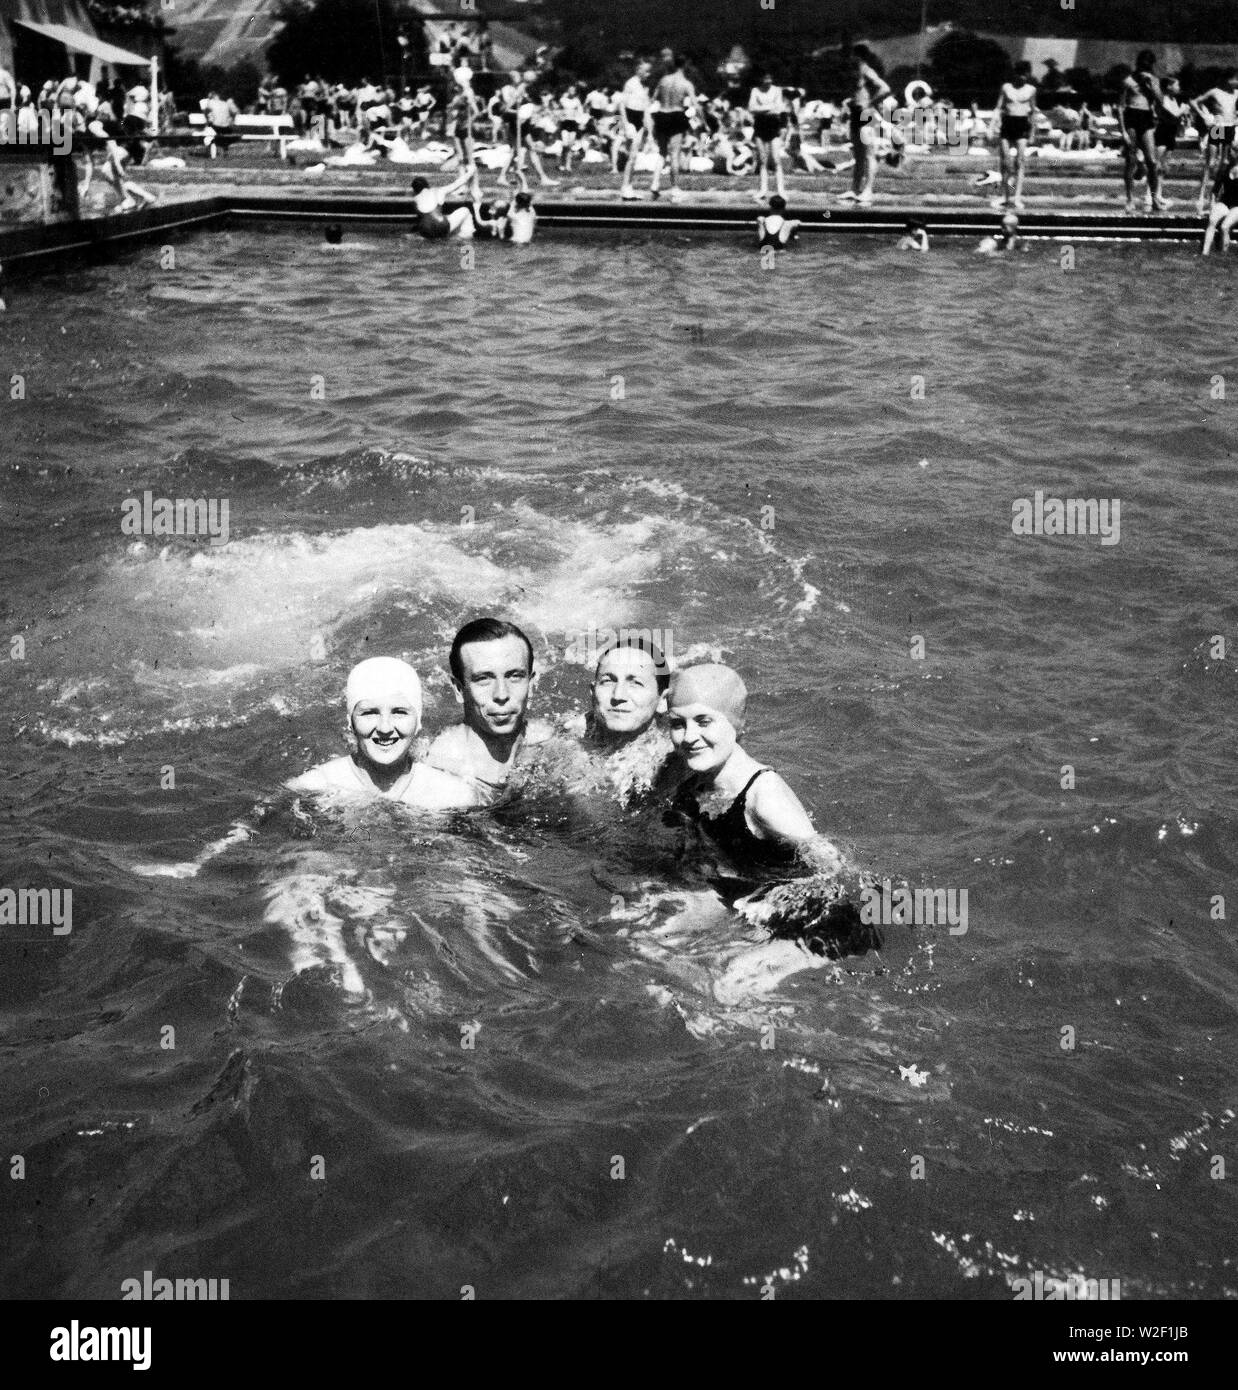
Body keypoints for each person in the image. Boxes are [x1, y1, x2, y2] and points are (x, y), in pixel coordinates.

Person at [665, 664, 845, 901]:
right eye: (678, 724)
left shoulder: (764, 794)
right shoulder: (693, 782)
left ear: (736, 724)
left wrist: (762, 909)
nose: (689, 737)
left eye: (704, 721)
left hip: (792, 915)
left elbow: (832, 867)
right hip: (741, 894)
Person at [289, 657, 479, 809]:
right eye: (370, 713)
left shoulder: (453, 797)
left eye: (399, 712)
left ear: (418, 721)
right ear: (351, 722)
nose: (385, 728)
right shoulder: (314, 788)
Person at [424, 618, 550, 802]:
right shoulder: (440, 767)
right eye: (483, 679)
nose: (501, 694)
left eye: (515, 676)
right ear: (459, 690)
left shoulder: (548, 741)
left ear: (531, 683)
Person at [839, 44, 891, 206]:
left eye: (853, 56)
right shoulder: (855, 72)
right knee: (858, 156)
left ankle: (868, 190)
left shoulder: (867, 71)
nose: (850, 58)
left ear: (859, 57)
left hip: (866, 114)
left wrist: (870, 103)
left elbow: (885, 88)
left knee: (869, 154)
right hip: (856, 114)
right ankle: (855, 189)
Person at [1118, 51, 1169, 214]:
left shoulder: (1153, 80)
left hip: (1146, 117)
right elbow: (1120, 107)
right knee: (1131, 160)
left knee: (1152, 162)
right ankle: (1130, 199)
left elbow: (1161, 101)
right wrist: (1123, 131)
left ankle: (1154, 198)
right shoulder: (1128, 81)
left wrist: (1152, 86)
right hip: (1132, 116)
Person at [1191, 70, 1238, 213]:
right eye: (1236, 79)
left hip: (1229, 127)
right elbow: (1194, 102)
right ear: (1228, 80)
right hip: (1218, 128)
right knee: (1210, 163)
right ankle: (1201, 197)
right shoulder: (1215, 92)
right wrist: (1205, 116)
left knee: (1224, 165)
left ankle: (1213, 196)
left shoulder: (1236, 93)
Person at [993, 61, 1037, 210]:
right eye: (1021, 74)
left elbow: (1033, 112)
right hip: (1007, 123)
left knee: (1020, 161)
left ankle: (1017, 197)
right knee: (1006, 162)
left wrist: (1032, 132)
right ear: (1016, 74)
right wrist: (992, 125)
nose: (1023, 78)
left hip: (1022, 124)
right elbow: (998, 108)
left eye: (1026, 75)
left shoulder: (1031, 90)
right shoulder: (1006, 88)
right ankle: (1006, 196)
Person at [748, 72, 788, 202]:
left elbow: (778, 109)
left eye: (769, 79)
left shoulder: (777, 90)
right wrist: (769, 107)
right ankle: (763, 189)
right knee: (763, 159)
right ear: (761, 79)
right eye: (765, 79)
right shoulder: (755, 90)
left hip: (773, 125)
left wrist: (761, 108)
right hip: (760, 125)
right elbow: (751, 108)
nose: (768, 81)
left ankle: (780, 190)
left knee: (776, 159)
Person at [617, 59, 653, 199]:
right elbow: (621, 104)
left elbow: (645, 110)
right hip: (630, 118)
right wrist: (626, 124)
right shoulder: (631, 83)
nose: (648, 74)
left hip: (639, 119)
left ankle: (628, 186)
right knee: (631, 156)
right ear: (639, 70)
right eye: (646, 71)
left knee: (634, 156)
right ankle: (625, 187)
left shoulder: (645, 87)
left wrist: (649, 132)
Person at [411, 171, 478, 239]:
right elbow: (457, 184)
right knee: (465, 210)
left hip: (426, 231)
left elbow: (424, 217)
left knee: (443, 218)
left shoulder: (416, 199)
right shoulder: (438, 191)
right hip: (441, 227)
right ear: (427, 185)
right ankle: (465, 235)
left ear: (415, 190)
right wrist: (470, 173)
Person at [1201, 147, 1238, 255]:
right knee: (1212, 220)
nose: (1230, 153)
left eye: (1233, 151)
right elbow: (1215, 190)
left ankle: (1223, 254)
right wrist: (1212, 204)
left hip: (1237, 205)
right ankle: (1205, 252)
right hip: (1225, 202)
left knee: (1224, 226)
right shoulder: (1225, 169)